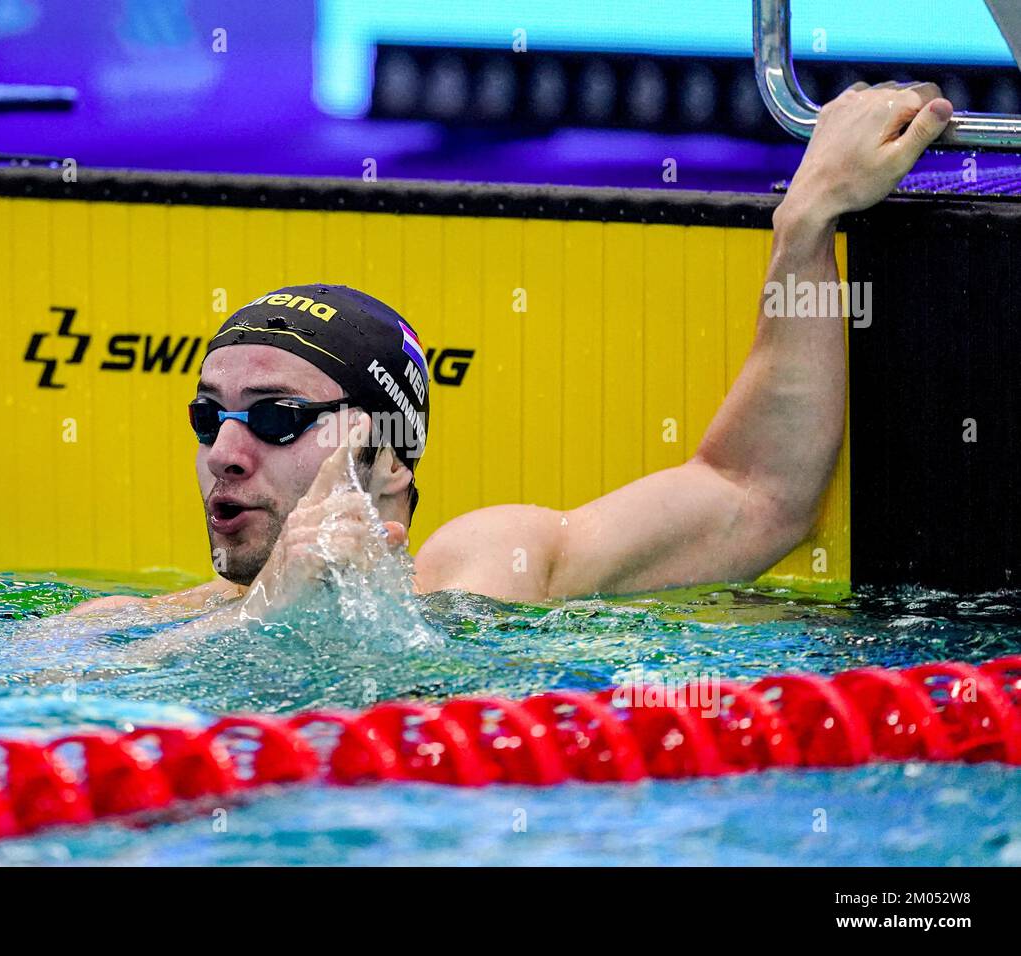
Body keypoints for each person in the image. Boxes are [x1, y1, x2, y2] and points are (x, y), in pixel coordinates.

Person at [74, 82, 953, 617]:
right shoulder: (133, 629)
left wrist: (804, 226)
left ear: (387, 456)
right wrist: (272, 609)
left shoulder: (483, 569)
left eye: (275, 418)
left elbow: (752, 493)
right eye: (209, 416)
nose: (225, 452)